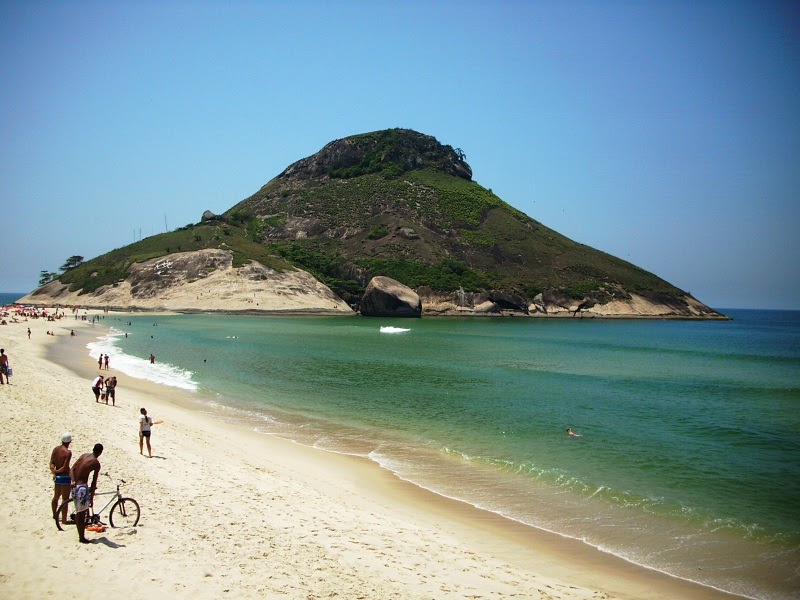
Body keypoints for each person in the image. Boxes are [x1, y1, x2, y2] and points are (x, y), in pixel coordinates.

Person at [70, 443, 103, 543]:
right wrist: (91, 497)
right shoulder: (96, 463)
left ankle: (80, 535)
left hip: (74, 486)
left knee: (79, 513)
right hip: (82, 488)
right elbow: (94, 482)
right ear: (100, 452)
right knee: (82, 515)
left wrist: (73, 481)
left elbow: (72, 469)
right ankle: (81, 537)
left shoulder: (84, 455)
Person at [50, 432, 73, 523]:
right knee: (65, 499)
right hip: (65, 477)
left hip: (57, 477)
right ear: (70, 441)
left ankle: (54, 515)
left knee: (56, 497)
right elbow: (65, 467)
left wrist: (54, 473)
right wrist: (57, 472)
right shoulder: (68, 452)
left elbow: (52, 463)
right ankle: (64, 519)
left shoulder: (56, 449)